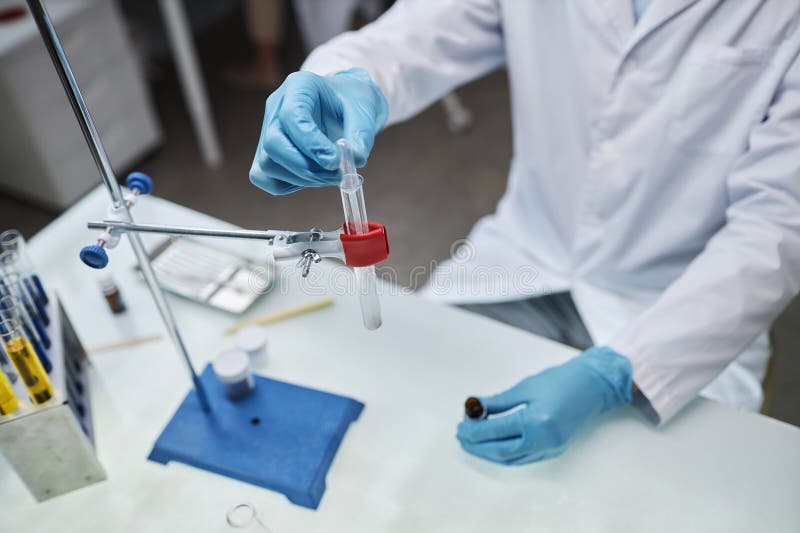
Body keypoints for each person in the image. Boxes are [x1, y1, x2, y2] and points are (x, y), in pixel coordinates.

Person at [248, 1, 800, 465]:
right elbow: (425, 28)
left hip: (678, 309)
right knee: (400, 434)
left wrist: (625, 369)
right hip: (525, 257)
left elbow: (777, 224)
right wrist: (345, 78)